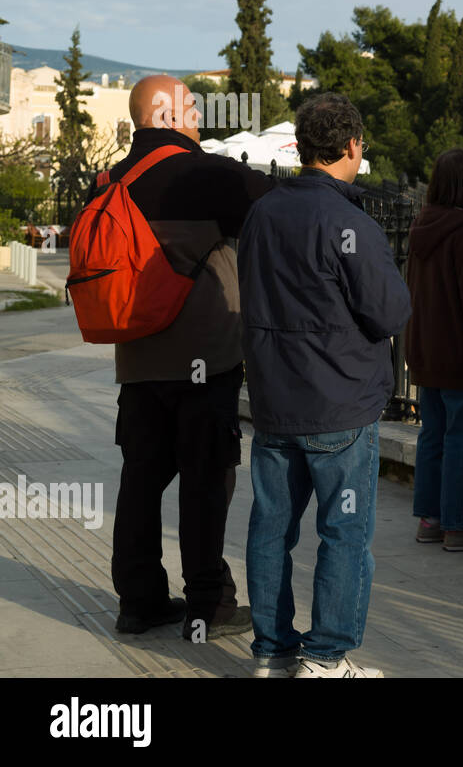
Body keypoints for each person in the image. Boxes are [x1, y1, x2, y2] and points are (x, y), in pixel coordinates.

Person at [239, 93, 411, 678]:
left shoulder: (263, 212)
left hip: (274, 400)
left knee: (271, 529)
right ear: (352, 148)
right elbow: (388, 312)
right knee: (342, 532)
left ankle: (272, 651)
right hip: (339, 403)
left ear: (300, 147)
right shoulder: (350, 223)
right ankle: (327, 655)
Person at [105, 74, 273, 641]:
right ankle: (207, 603)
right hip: (205, 359)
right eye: (190, 105)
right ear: (164, 113)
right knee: (205, 483)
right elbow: (277, 210)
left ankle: (138, 602)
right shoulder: (205, 174)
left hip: (137, 362)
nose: (199, 111)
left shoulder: (111, 181)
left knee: (140, 481)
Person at [405, 148, 463, 551]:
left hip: (427, 349)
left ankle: (431, 518)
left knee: (434, 434)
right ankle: (457, 524)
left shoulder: (422, 227)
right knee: (461, 438)